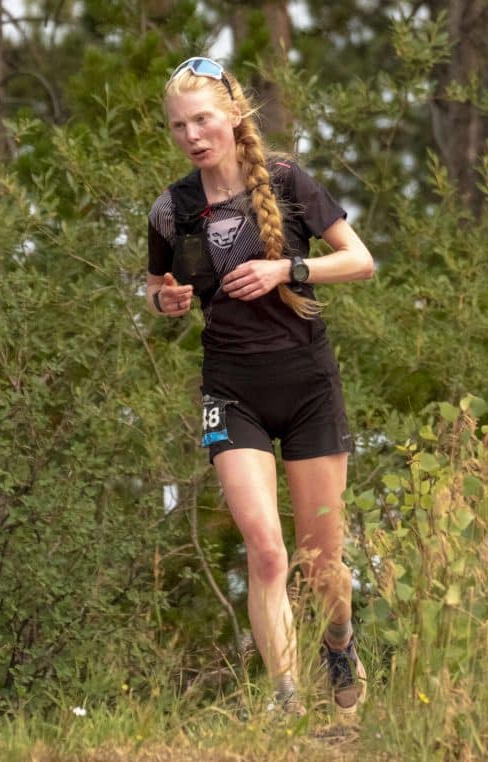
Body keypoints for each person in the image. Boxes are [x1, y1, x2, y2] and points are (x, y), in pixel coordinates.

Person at [147, 56, 374, 715]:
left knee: (320, 564)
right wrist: (165, 301)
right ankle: (286, 700)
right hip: (232, 388)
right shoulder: (171, 208)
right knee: (266, 551)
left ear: (234, 116)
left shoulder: (287, 181)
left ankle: (339, 639)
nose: (191, 135)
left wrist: (286, 270)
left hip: (307, 387)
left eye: (202, 120)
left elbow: (360, 261)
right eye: (179, 126)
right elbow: (158, 286)